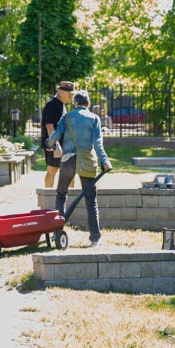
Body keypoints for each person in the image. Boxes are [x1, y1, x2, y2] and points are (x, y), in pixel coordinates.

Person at [47, 90, 112, 247]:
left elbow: (56, 135)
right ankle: (95, 239)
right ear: (88, 104)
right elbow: (98, 143)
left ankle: (57, 233)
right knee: (91, 200)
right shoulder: (94, 119)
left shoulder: (67, 116)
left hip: (68, 160)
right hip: (86, 163)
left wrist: (49, 143)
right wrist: (105, 161)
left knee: (61, 195)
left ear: (75, 103)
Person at [41, 81, 74, 188]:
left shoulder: (61, 105)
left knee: (70, 171)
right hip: (55, 145)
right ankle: (47, 198)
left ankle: (71, 199)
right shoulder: (52, 105)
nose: (71, 97)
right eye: (69, 95)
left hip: (64, 144)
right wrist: (56, 146)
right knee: (52, 170)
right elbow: (49, 126)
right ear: (61, 92)